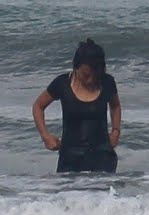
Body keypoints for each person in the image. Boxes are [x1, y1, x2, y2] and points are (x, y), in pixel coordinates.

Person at [32, 39, 122, 173]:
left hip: (103, 157)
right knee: (68, 194)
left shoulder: (107, 81)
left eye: (95, 74)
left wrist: (115, 131)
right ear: (76, 66)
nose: (91, 79)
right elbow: (38, 106)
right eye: (86, 75)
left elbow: (115, 106)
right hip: (70, 159)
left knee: (103, 193)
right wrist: (46, 136)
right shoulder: (62, 83)